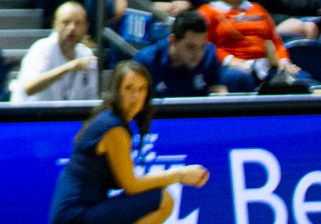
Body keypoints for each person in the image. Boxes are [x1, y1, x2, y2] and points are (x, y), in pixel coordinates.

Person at [48, 61, 208, 224]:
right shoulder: (113, 129)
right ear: (117, 91)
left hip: (75, 213)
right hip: (75, 216)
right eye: (129, 88)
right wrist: (180, 175)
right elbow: (131, 185)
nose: (136, 96)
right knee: (163, 199)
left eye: (142, 89)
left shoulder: (109, 119)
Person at [197, 0, 296, 82]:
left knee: (298, 78)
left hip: (266, 65)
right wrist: (230, 60)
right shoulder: (207, 12)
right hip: (230, 66)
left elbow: (275, 41)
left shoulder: (257, 9)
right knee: (239, 78)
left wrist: (283, 60)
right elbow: (206, 46)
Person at [133, 11, 238, 97]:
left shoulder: (209, 55)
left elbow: (217, 88)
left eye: (202, 46)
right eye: (190, 47)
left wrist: (221, 96)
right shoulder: (146, 61)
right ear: (173, 40)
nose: (198, 54)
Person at [11, 2, 98, 104]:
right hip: (31, 116)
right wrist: (69, 67)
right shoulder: (41, 48)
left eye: (78, 23)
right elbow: (29, 88)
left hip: (69, 117)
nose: (72, 28)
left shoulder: (86, 54)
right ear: (55, 25)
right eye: (66, 23)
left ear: (86, 27)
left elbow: (92, 98)